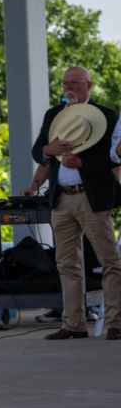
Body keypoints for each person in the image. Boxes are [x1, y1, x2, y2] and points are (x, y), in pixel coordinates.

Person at [24, 66, 121, 341]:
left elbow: (114, 157)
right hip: (61, 197)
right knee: (66, 263)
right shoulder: (54, 115)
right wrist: (47, 151)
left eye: (76, 83)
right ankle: (73, 323)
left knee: (109, 261)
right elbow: (37, 150)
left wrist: (84, 163)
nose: (69, 88)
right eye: (66, 83)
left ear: (89, 84)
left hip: (92, 196)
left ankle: (116, 322)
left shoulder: (107, 116)